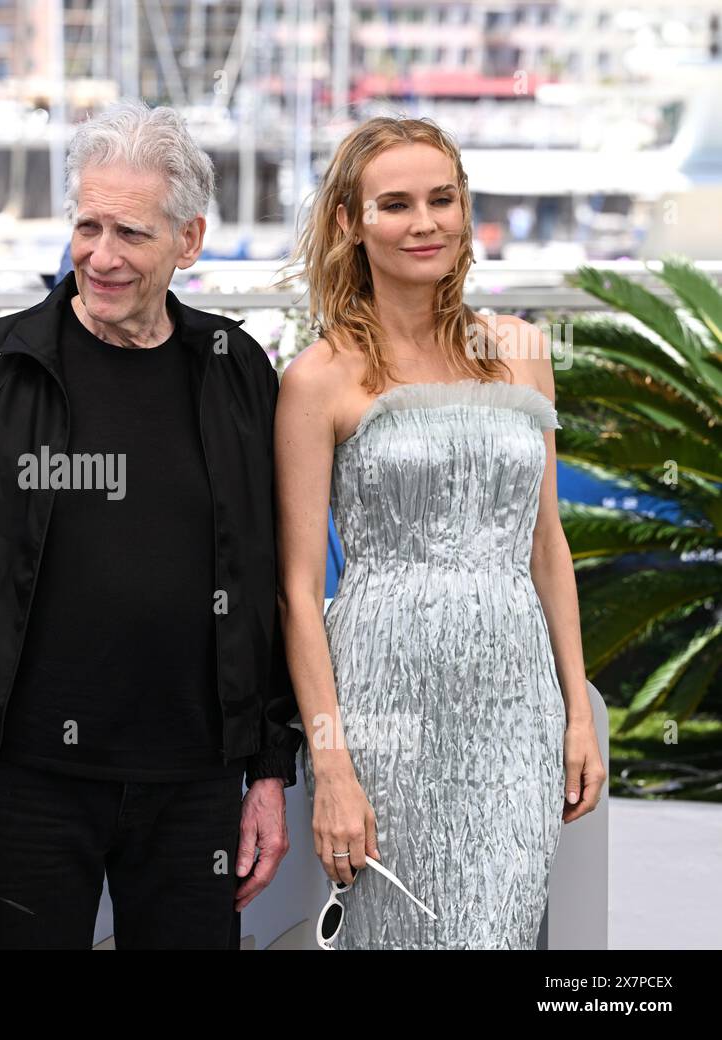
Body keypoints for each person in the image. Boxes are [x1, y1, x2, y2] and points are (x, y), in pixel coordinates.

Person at [0, 100, 302, 949]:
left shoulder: (236, 373)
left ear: (188, 241)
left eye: (131, 233)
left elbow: (265, 586)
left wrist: (267, 771)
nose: (101, 256)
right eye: (87, 226)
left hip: (194, 786)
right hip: (22, 786)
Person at [276, 116, 606, 949]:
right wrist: (334, 765)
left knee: (499, 927)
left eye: (442, 200)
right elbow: (298, 591)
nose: (424, 223)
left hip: (514, 706)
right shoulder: (316, 379)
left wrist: (577, 714)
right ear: (350, 223)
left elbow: (546, 547)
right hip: (384, 710)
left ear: (465, 212)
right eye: (395, 204)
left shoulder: (525, 351)